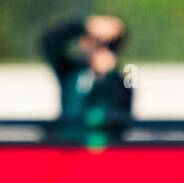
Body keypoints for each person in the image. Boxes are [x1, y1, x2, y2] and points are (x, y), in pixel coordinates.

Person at [40, 14, 132, 146]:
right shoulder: (71, 71)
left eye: (103, 42)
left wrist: (106, 78)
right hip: (69, 152)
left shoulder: (122, 79)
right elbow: (49, 42)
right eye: (91, 37)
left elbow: (121, 121)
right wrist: (85, 24)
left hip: (105, 154)